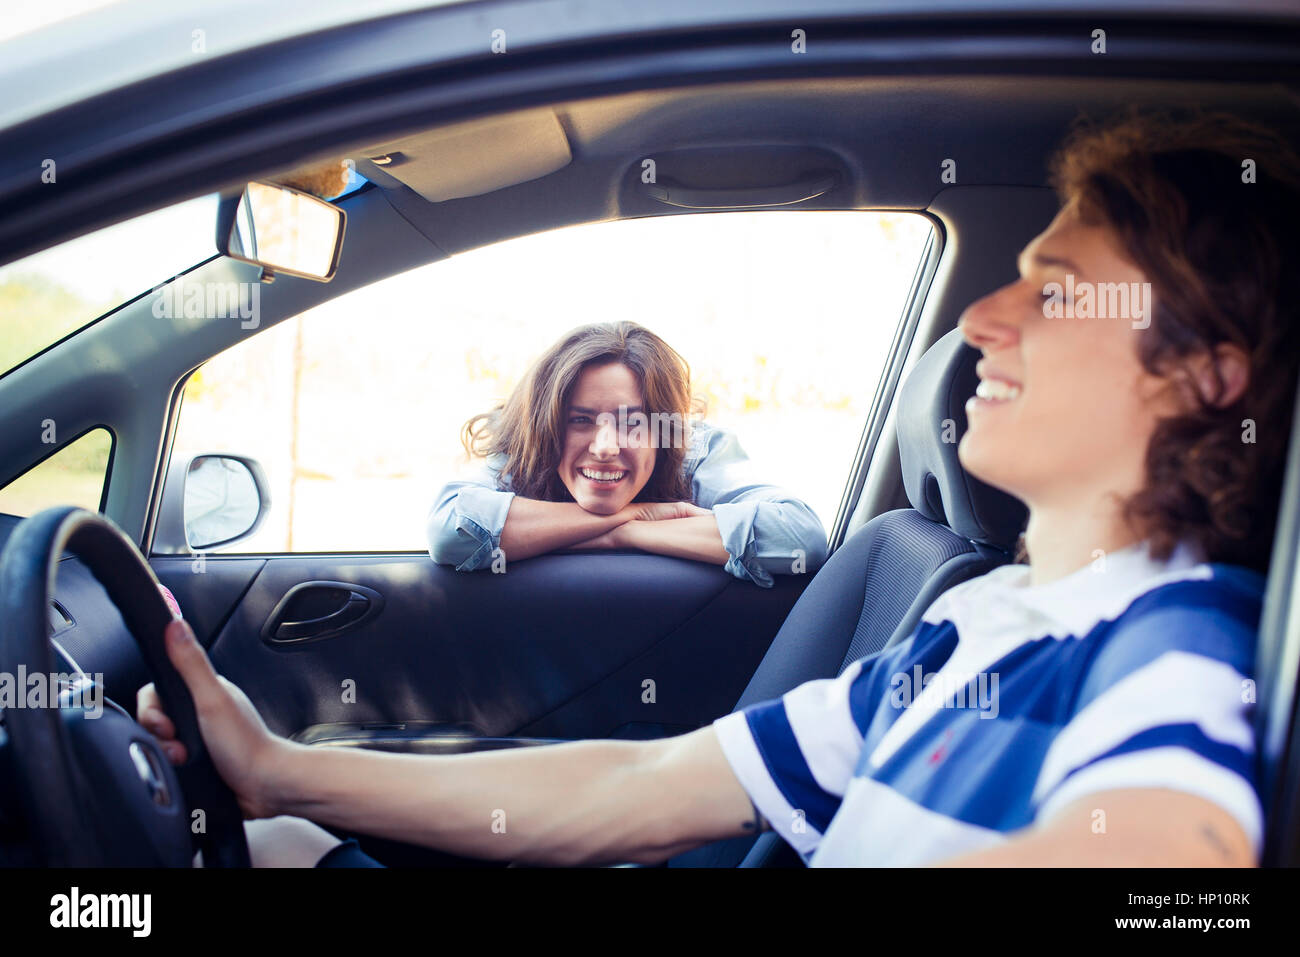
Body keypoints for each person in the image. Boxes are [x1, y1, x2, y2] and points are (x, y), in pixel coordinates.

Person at [139, 109, 1300, 867]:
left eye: (1052, 291)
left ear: (1205, 374)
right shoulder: (972, 623)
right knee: (283, 840)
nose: (980, 321)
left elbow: (1177, 852)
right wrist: (279, 766)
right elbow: (650, 776)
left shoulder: (1175, 636)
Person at [426, 321, 828, 587]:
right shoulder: (528, 450)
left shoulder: (695, 450)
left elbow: (799, 537)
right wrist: (632, 516)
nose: (604, 448)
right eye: (579, 420)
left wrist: (622, 534)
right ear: (546, 425)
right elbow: (450, 530)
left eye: (631, 423)